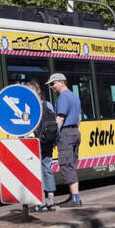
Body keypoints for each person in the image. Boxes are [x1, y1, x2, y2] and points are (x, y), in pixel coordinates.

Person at [47, 73, 83, 206]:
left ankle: (75, 199)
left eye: (53, 83)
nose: (51, 87)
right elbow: (79, 118)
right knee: (72, 165)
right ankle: (73, 196)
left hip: (66, 133)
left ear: (61, 82)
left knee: (66, 165)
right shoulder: (74, 96)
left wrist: (54, 136)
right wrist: (74, 130)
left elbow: (60, 118)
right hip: (75, 132)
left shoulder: (62, 97)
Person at [28, 81, 58, 211]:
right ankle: (50, 201)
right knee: (47, 168)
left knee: (36, 171)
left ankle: (39, 203)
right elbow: (55, 124)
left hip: (35, 142)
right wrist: (56, 140)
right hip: (48, 141)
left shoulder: (29, 106)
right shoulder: (48, 104)